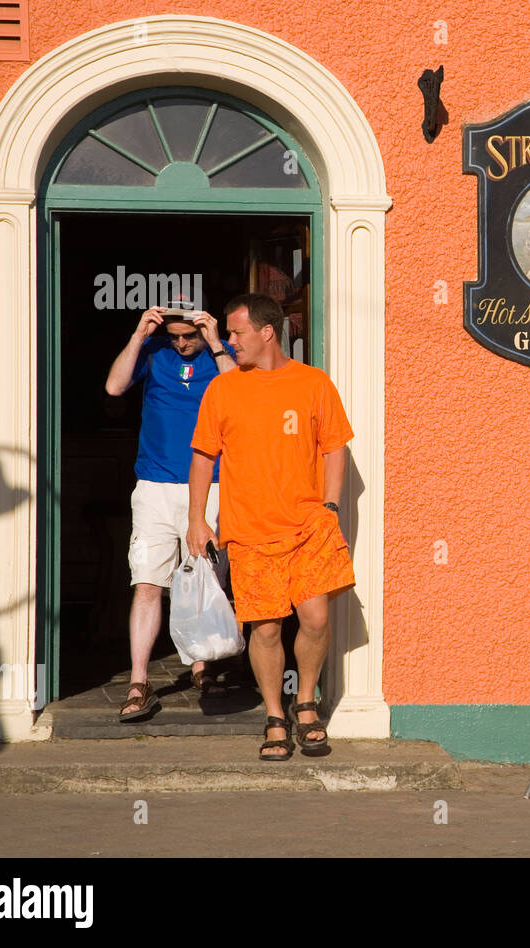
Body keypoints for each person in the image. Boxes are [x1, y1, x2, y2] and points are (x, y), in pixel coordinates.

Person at [186, 293, 355, 761]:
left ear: (267, 333)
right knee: (264, 630)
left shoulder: (313, 383)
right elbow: (202, 455)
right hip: (250, 530)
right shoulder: (223, 389)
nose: (228, 341)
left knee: (316, 618)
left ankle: (306, 703)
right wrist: (196, 518)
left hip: (309, 525)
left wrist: (331, 506)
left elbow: (334, 445)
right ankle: (276, 716)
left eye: (236, 333)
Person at [105, 306, 237, 721]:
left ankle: (201, 667)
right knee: (146, 583)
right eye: (175, 336)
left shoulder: (220, 356)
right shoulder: (154, 351)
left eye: (189, 336)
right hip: (155, 485)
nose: (182, 343)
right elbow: (114, 387)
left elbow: (241, 392)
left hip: (211, 484)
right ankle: (139, 681)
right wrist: (139, 335)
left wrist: (214, 342)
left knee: (204, 580)